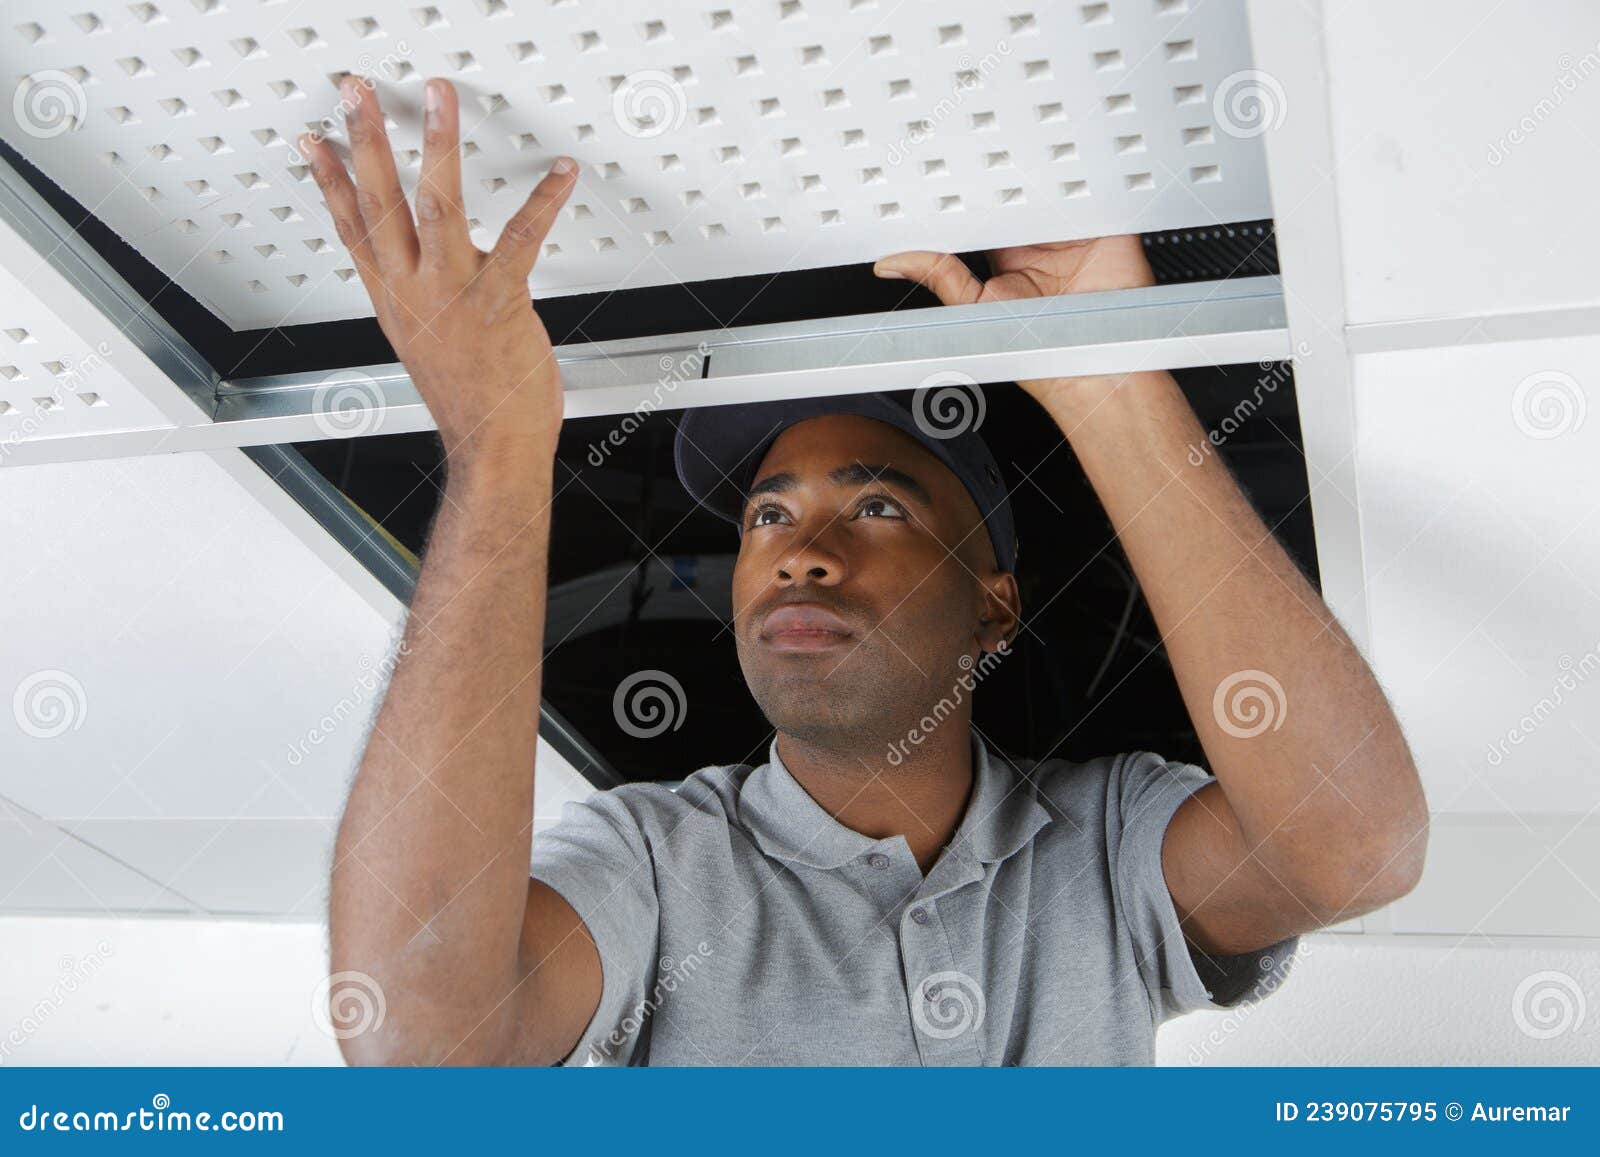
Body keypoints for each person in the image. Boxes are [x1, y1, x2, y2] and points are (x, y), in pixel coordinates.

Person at [307, 77, 1429, 1066]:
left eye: (878, 504)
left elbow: (1352, 847)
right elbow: (420, 1039)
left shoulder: (1110, 842)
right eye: (767, 516)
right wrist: (498, 453)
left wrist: (1105, 381)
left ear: (995, 605)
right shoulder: (651, 860)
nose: (800, 550)